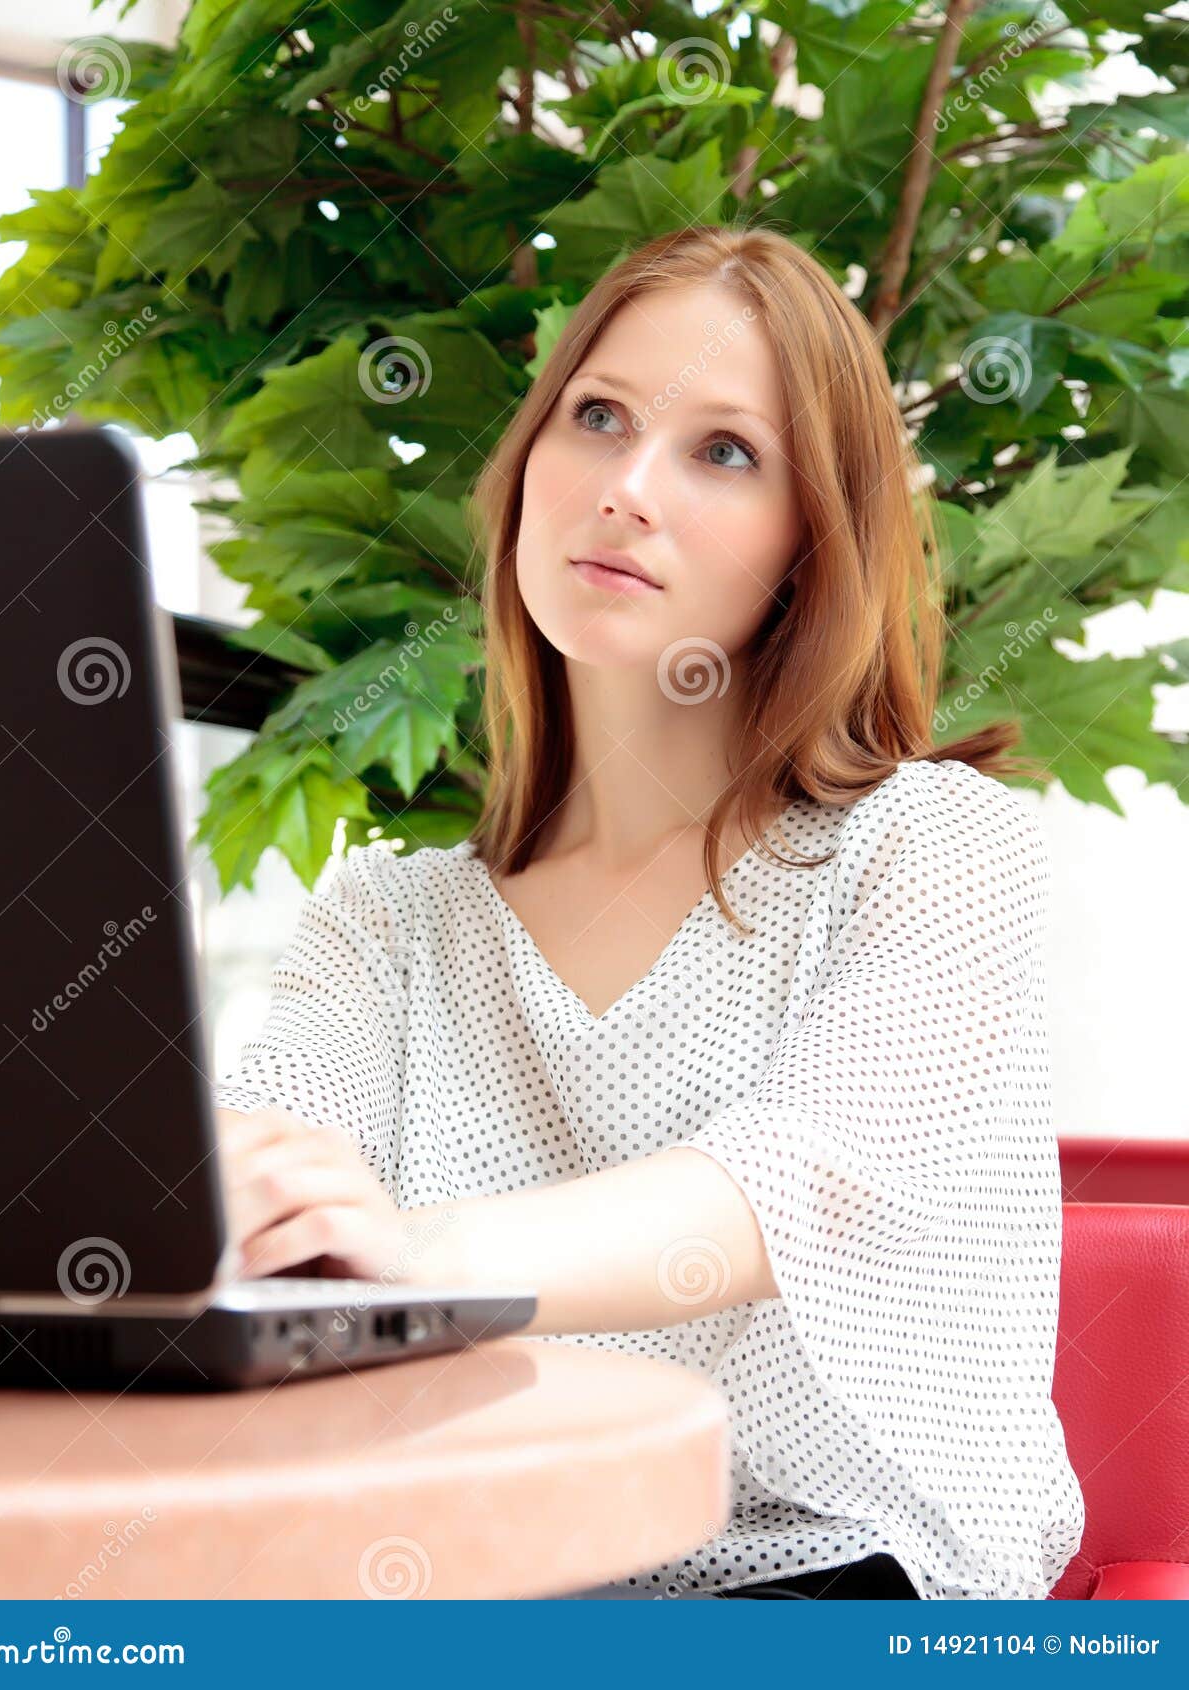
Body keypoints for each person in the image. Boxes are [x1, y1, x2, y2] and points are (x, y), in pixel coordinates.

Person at [214, 224, 1085, 1600]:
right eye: (599, 417)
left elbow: (791, 1190)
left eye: (724, 451)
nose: (625, 489)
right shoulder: (388, 918)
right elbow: (269, 1174)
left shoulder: (932, 849)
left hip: (840, 1577)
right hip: (474, 1577)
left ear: (812, 541)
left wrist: (415, 1252)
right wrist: (218, 1196)